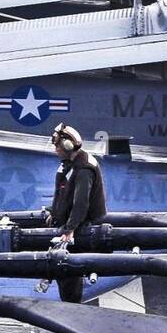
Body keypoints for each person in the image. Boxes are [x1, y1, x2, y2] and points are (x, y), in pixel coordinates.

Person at [43, 123, 108, 303]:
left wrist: (70, 228)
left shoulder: (83, 169)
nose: (55, 149)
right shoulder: (69, 164)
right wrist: (53, 213)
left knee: (67, 272)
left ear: (68, 146)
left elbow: (81, 203)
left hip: (82, 226)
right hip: (71, 222)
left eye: (57, 146)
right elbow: (62, 193)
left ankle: (71, 308)